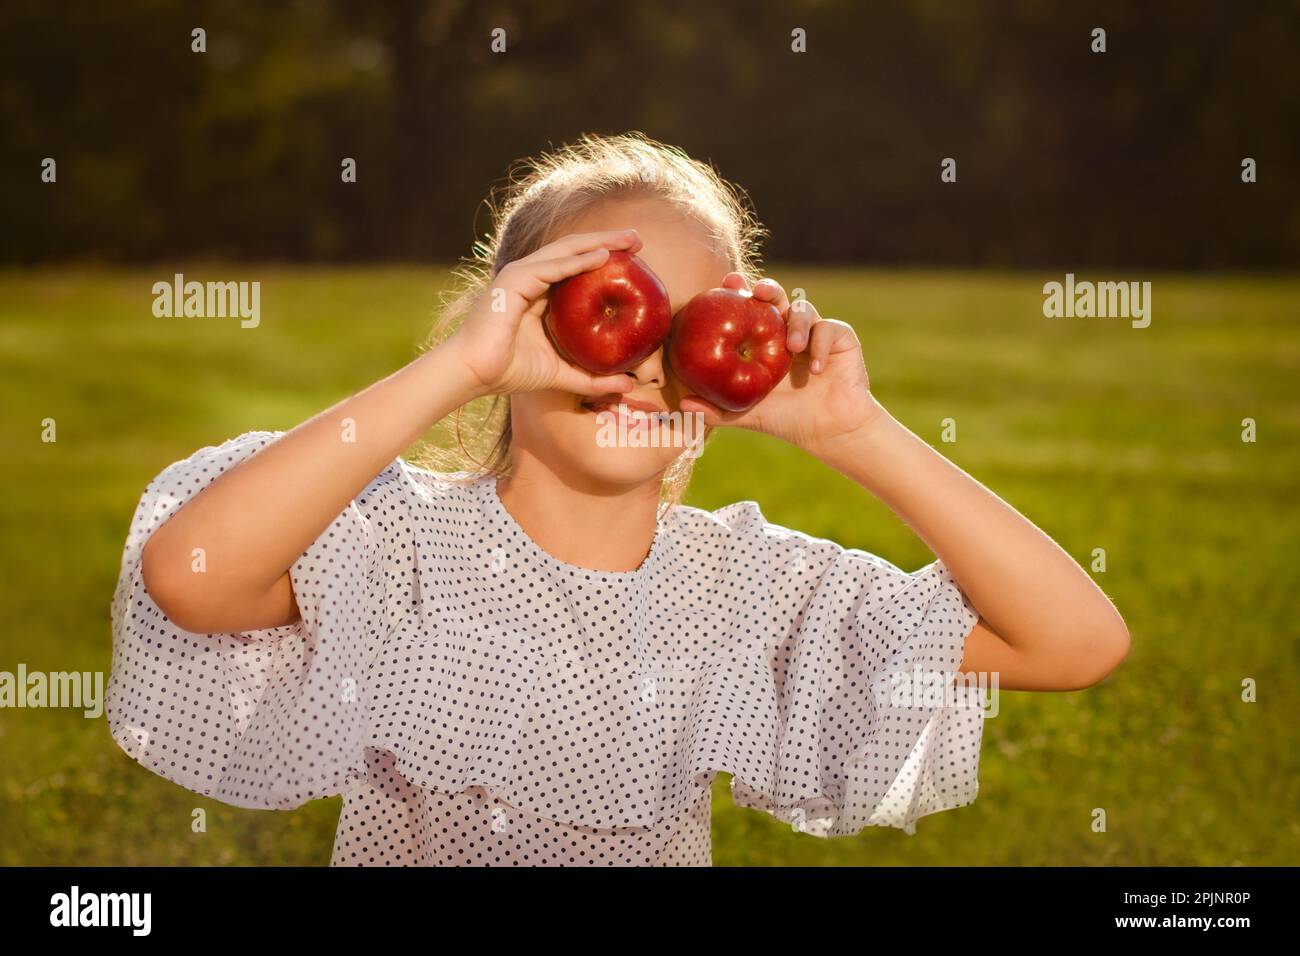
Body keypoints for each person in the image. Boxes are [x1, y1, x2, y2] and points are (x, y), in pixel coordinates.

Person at [106, 132, 1129, 866]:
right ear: (515, 319)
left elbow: (1072, 641)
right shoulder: (405, 541)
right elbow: (192, 574)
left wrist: (858, 435)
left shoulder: (750, 587)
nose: (641, 363)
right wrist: (462, 365)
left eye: (684, 329)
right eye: (602, 309)